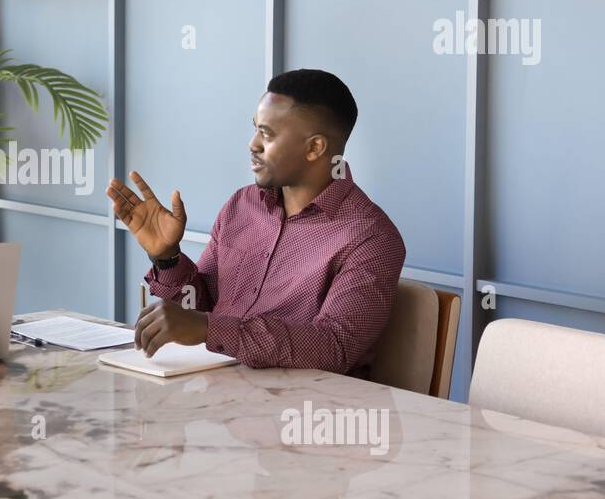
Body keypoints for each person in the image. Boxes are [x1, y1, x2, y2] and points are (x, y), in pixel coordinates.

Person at [107, 69, 404, 379]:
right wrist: (167, 258)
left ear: (315, 148)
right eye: (255, 130)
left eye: (267, 134)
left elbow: (335, 347)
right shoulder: (241, 207)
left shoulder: (370, 237)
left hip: (305, 414)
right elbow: (203, 307)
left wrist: (209, 328)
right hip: (221, 396)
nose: (252, 144)